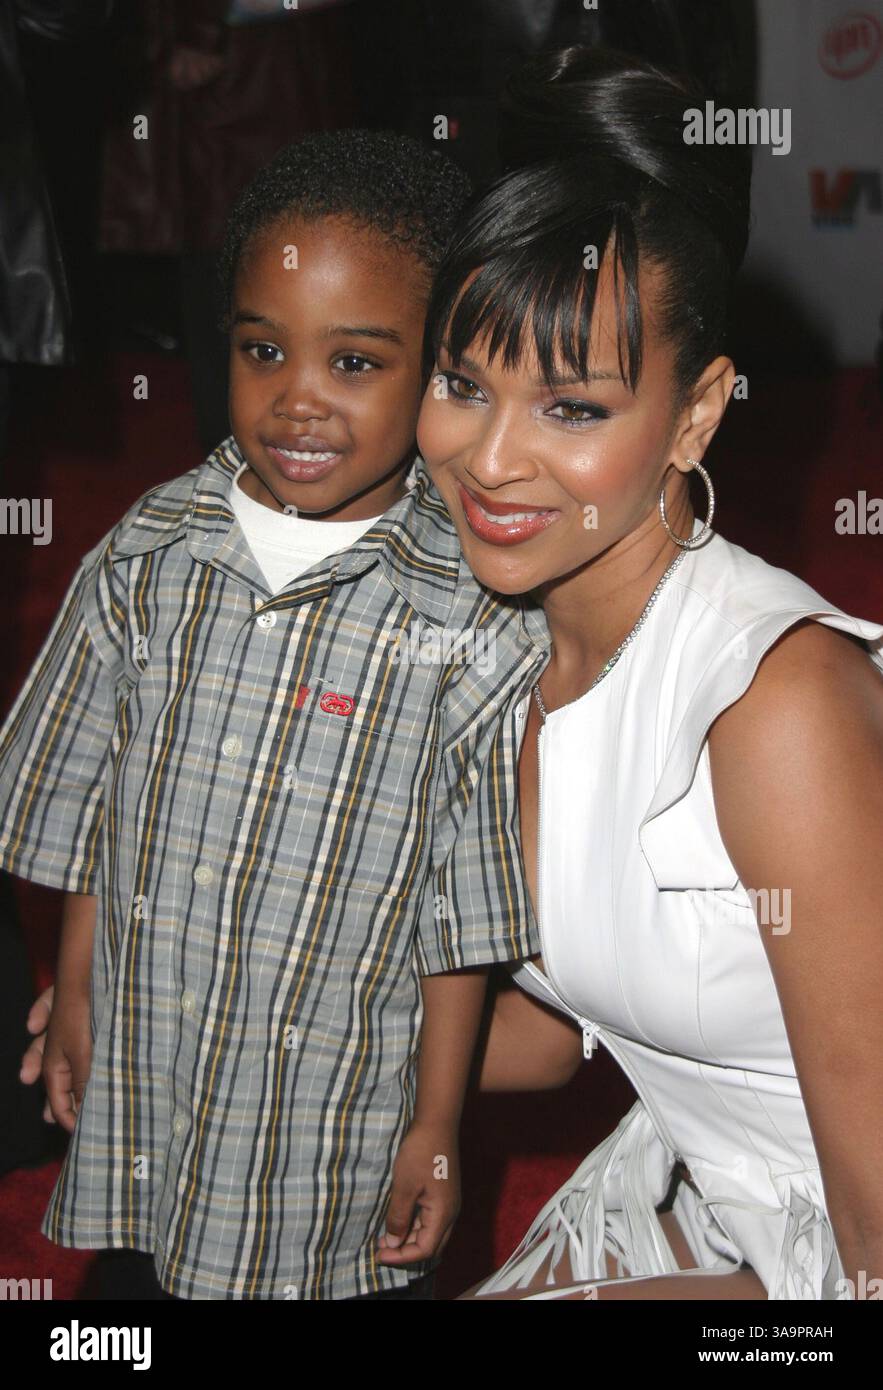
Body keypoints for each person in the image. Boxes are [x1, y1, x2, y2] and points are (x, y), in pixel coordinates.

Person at [0, 129, 542, 1300]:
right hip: (156, 1064)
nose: (298, 398)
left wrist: (437, 1119)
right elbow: (92, 801)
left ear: (441, 371)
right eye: (262, 349)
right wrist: (78, 983)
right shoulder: (148, 554)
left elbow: (466, 913)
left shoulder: (470, 619)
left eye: (355, 362)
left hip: (328, 1134)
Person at [416, 47, 883, 1299]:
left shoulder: (770, 703)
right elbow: (560, 1023)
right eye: (462, 383)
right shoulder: (485, 640)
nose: (490, 459)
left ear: (693, 417)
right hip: (724, 1186)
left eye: (572, 409)